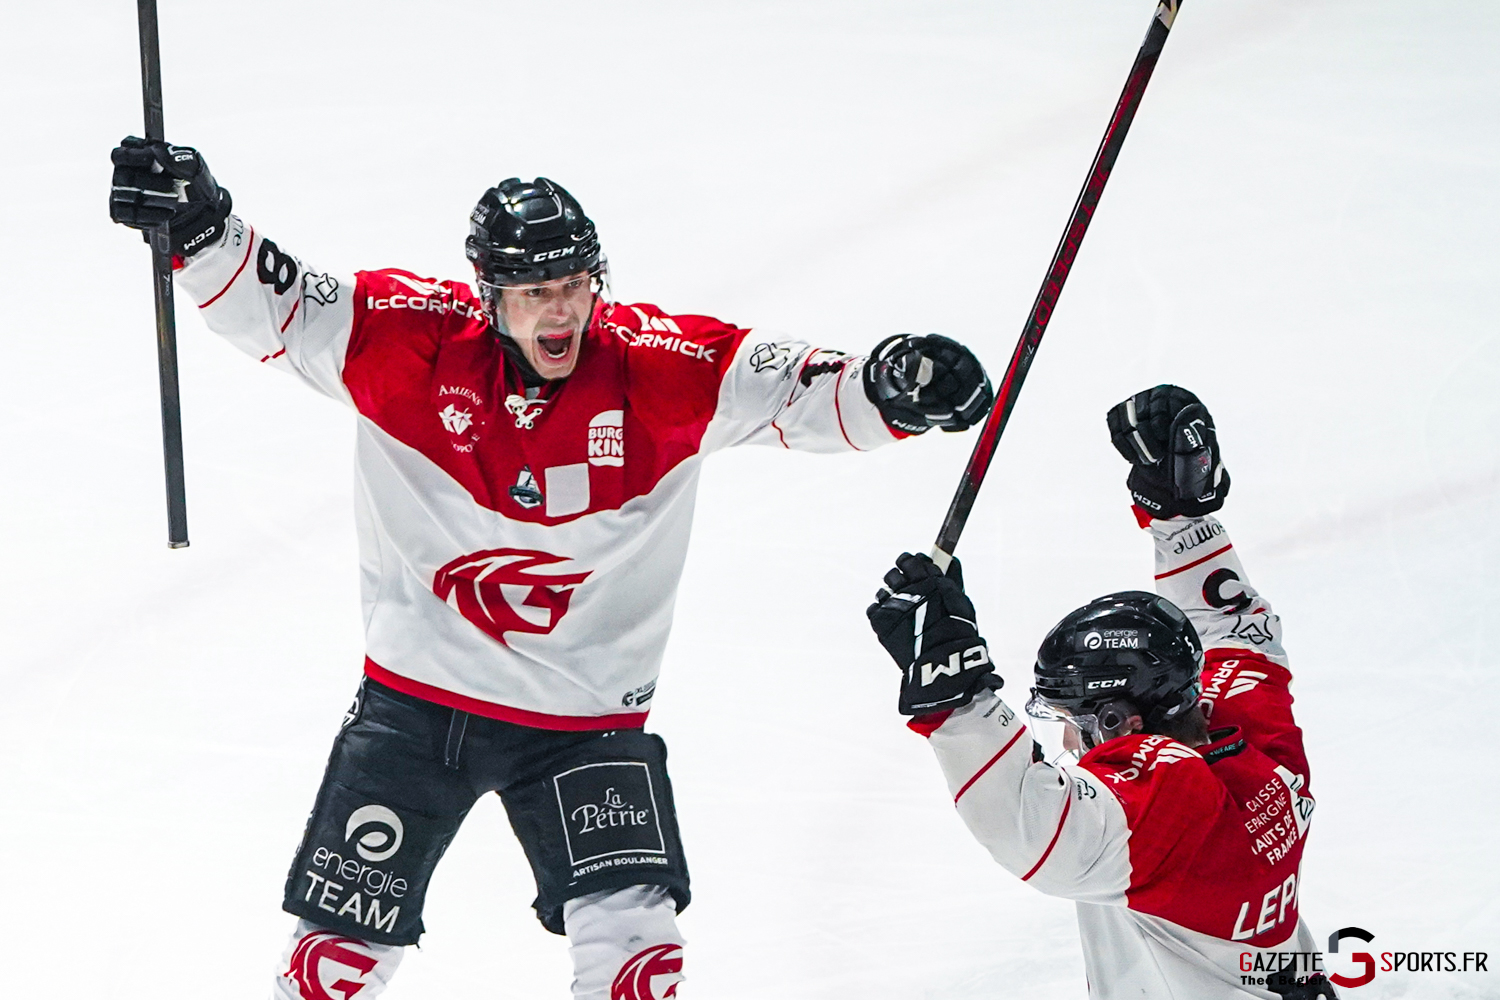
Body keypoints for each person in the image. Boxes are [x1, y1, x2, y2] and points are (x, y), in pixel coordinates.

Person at [108, 137, 994, 1000]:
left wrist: (891, 387)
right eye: (535, 292)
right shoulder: (406, 338)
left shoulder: (660, 366)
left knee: (638, 963)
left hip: (585, 723)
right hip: (415, 708)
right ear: (490, 294)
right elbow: (285, 304)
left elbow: (805, 389)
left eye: (575, 286)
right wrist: (199, 227)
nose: (560, 311)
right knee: (331, 965)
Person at [866, 385, 1338, 999]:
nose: (1061, 735)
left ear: (1116, 721)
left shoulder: (1164, 809)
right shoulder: (1249, 736)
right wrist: (1182, 516)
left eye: (1068, 714)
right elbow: (1233, 626)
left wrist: (957, 692)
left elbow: (1029, 827)